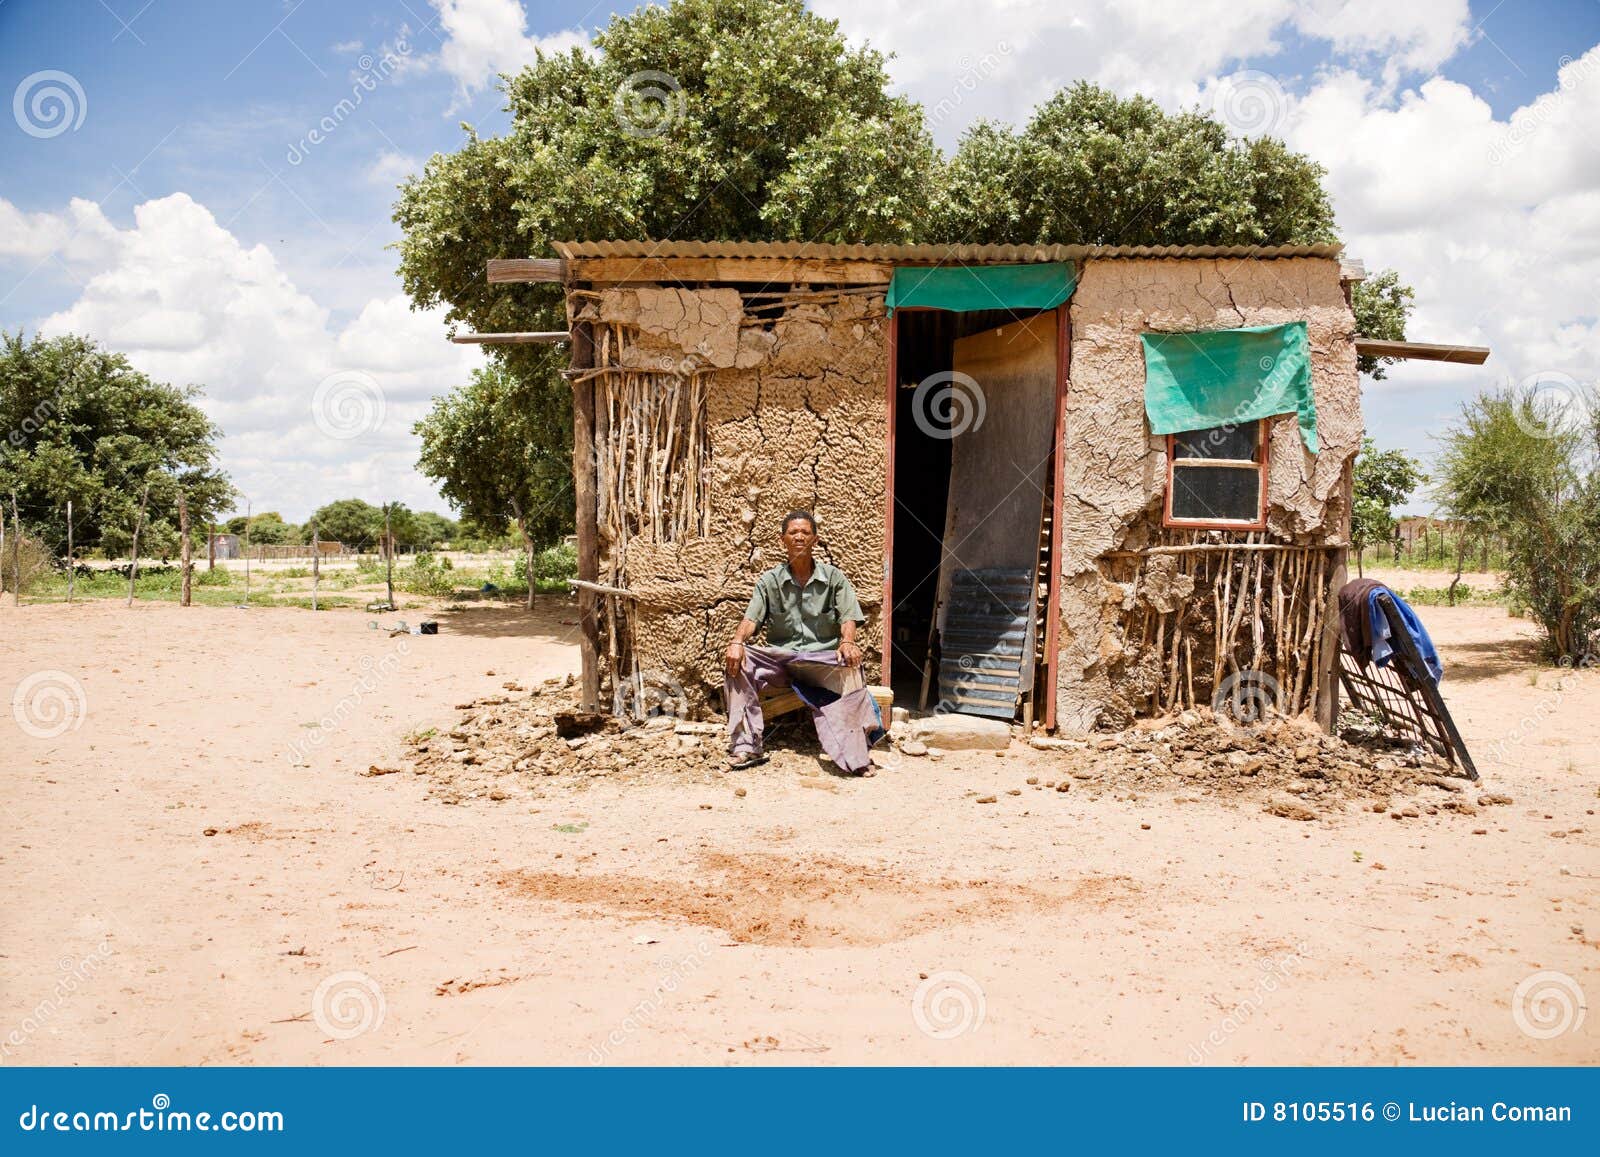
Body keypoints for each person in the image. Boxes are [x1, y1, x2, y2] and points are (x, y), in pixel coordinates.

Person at [723, 510, 883, 775]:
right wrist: (738, 641)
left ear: (815, 540)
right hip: (781, 661)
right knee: (739, 660)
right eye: (793, 532)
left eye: (805, 532)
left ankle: (857, 754)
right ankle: (746, 747)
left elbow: (848, 617)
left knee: (852, 666)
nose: (799, 537)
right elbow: (751, 619)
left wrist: (847, 641)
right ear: (782, 540)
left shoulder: (834, 578)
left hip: (820, 661)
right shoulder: (769, 581)